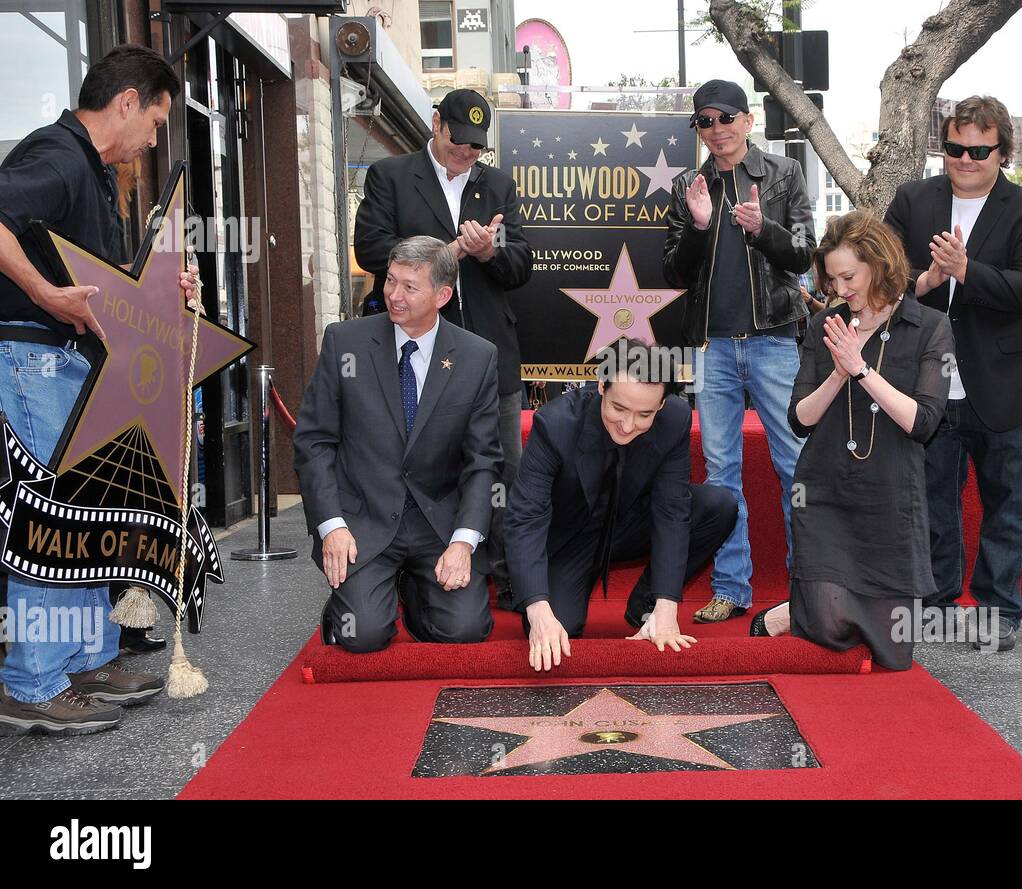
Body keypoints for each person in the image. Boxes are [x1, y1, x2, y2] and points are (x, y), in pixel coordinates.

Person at [0, 44, 184, 735]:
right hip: (31, 357)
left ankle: (81, 660)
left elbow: (96, 280)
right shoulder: (56, 155)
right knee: (51, 519)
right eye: (157, 121)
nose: (153, 138)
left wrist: (160, 286)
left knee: (80, 513)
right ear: (128, 101)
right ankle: (31, 682)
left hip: (65, 361)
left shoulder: (91, 170)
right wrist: (44, 292)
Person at [882, 94, 1022, 652]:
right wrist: (929, 283)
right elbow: (879, 284)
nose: (966, 159)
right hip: (925, 385)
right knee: (931, 501)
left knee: (1006, 502)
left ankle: (999, 609)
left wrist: (967, 271)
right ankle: (932, 604)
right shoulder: (911, 201)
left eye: (979, 149)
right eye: (955, 147)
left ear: (1002, 151)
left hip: (1002, 384)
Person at [749, 212, 952, 669]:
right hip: (826, 491)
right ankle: (801, 611)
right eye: (832, 278)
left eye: (848, 276)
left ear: (880, 265)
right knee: (831, 626)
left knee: (891, 653)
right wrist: (839, 373)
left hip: (891, 493)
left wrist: (862, 369)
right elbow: (799, 419)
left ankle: (788, 613)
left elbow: (922, 421)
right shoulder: (827, 326)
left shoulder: (931, 327)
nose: (840, 289)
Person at [353, 89, 531, 608]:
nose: (467, 154)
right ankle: (412, 570)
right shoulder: (391, 176)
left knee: (501, 469)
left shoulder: (498, 185)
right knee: (417, 462)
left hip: (488, 352)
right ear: (436, 124)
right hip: (411, 352)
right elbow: (370, 250)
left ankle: (509, 578)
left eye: (477, 146)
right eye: (459, 141)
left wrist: (491, 250)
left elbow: (522, 267)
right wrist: (449, 252)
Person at [294, 237, 501, 653]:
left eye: (410, 286)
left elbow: (483, 461)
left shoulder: (477, 357)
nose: (394, 294)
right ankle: (362, 601)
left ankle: (411, 593)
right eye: (391, 280)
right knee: (361, 635)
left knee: (464, 631)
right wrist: (331, 525)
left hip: (436, 522)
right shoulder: (344, 343)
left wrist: (463, 541)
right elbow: (314, 441)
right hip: (363, 520)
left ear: (442, 295)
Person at [663, 79, 813, 623]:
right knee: (721, 469)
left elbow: (803, 255)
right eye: (705, 120)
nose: (717, 129)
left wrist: (762, 229)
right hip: (711, 349)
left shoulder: (783, 174)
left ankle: (808, 586)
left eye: (726, 117)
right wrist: (702, 227)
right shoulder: (687, 184)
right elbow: (673, 270)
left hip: (774, 341)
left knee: (794, 464)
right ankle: (731, 587)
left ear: (749, 121)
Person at [505, 339, 738, 672]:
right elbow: (525, 518)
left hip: (629, 525)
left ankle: (645, 607)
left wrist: (667, 606)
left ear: (661, 405)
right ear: (601, 385)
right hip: (569, 540)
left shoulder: (674, 419)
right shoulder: (555, 424)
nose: (628, 426)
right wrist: (538, 609)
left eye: (644, 414)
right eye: (619, 408)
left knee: (718, 505)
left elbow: (672, 510)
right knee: (559, 632)